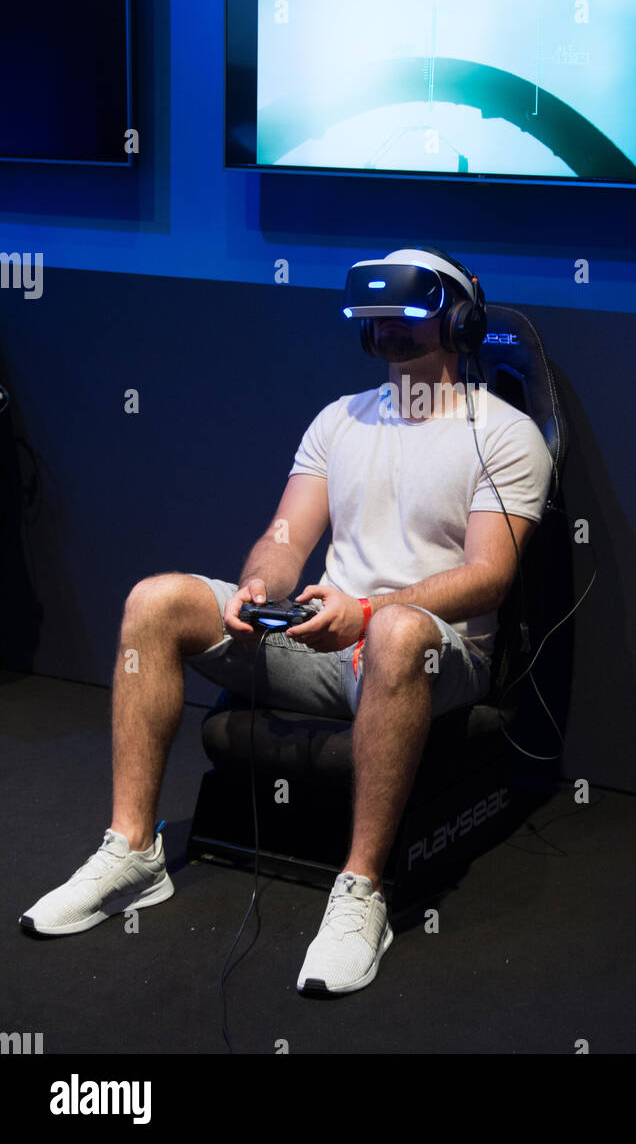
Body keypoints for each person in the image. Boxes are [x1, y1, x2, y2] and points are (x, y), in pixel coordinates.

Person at [19, 246, 552, 996]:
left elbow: (489, 576)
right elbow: (286, 537)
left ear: (459, 322)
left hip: (431, 655)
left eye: (405, 318)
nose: (388, 335)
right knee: (155, 599)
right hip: (323, 638)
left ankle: (362, 890)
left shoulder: (502, 433)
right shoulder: (340, 421)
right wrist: (258, 587)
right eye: (375, 322)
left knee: (397, 635)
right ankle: (134, 852)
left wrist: (369, 611)